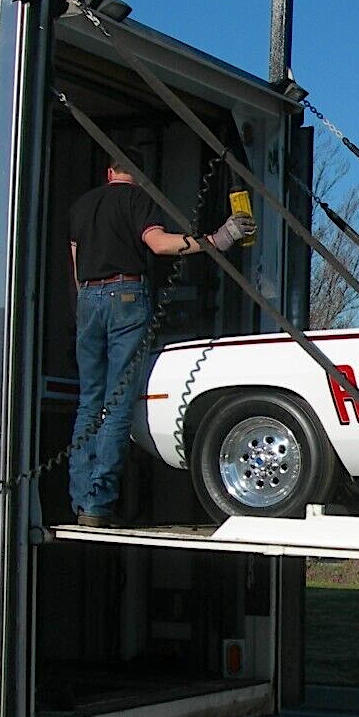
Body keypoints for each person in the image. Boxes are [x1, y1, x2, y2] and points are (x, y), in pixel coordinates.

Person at [67, 157, 253, 527]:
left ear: (109, 172)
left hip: (88, 300)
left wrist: (86, 304)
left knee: (89, 402)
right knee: (117, 404)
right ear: (141, 174)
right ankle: (97, 504)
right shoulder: (138, 200)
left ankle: (80, 498)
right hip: (126, 296)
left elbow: (75, 263)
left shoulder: (82, 205)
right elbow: (158, 244)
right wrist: (216, 240)